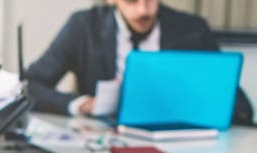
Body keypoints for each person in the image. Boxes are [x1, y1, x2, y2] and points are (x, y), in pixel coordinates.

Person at [24, 0, 254, 125]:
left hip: (177, 143)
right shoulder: (83, 26)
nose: (143, 9)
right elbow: (30, 85)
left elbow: (241, 107)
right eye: (132, 0)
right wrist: (82, 104)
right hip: (102, 145)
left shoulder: (192, 30)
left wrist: (193, 102)